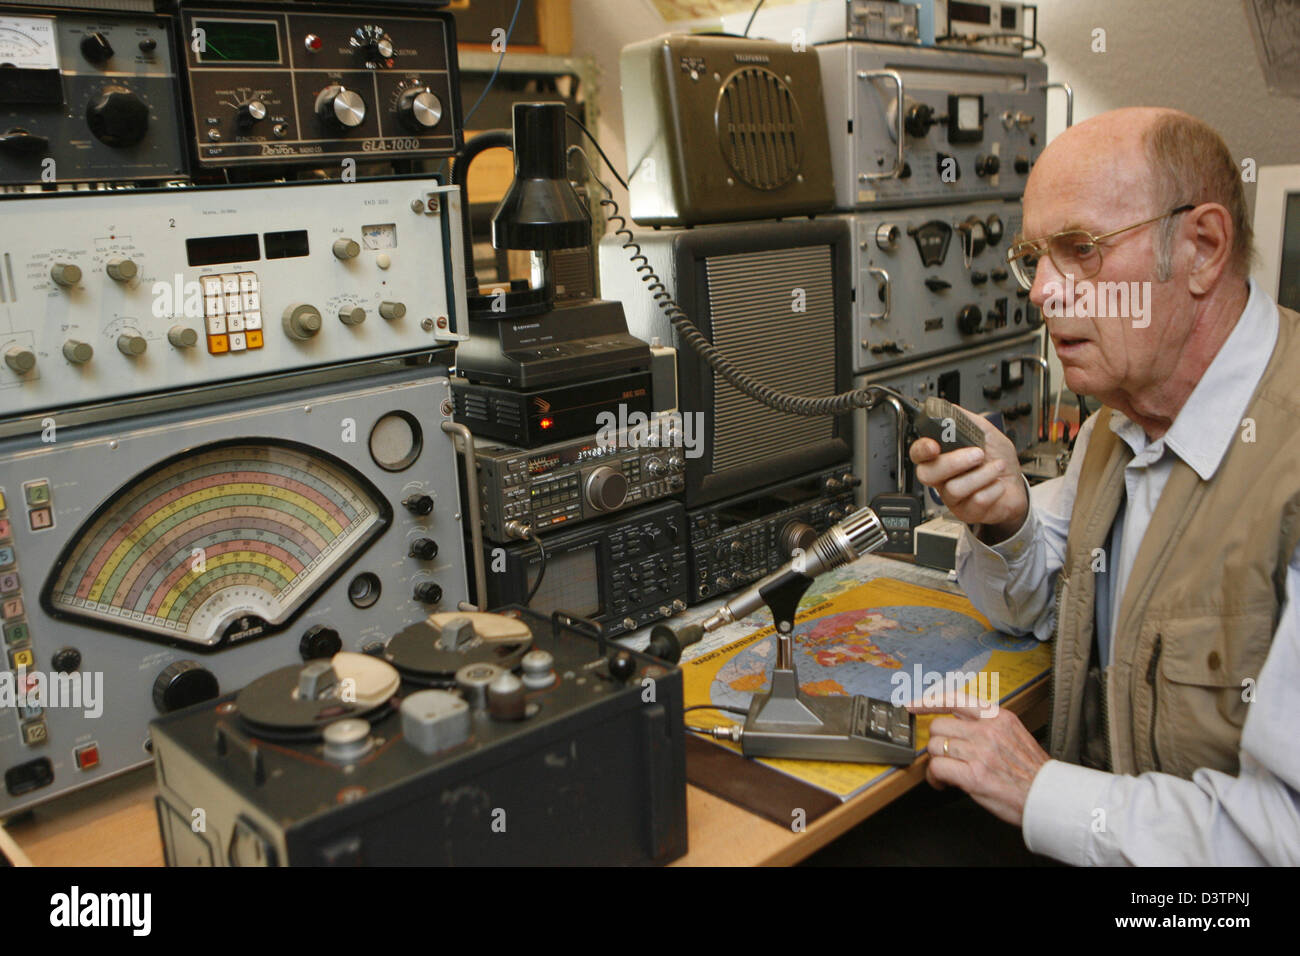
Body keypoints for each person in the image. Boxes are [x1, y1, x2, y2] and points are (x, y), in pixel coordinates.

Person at [908, 107, 1300, 865]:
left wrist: (1038, 790)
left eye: (1080, 250)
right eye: (1034, 258)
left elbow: (1285, 833)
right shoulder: (1114, 426)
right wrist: (1005, 518)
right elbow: (1043, 607)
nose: (1045, 293)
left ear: (1202, 248)